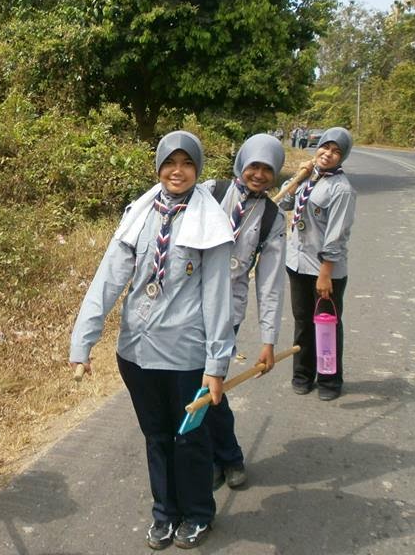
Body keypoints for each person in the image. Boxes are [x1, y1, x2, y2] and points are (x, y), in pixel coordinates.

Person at [69, 131, 235, 551]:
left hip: (185, 356)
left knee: (189, 439)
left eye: (186, 164)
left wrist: (217, 365)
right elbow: (107, 280)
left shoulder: (210, 222)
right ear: (158, 166)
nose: (176, 172)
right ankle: (165, 513)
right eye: (169, 163)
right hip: (136, 354)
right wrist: (83, 341)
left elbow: (217, 298)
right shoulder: (139, 215)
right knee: (156, 436)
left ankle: (197, 514)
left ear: (197, 169)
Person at [202, 133, 286, 490]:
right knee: (196, 386)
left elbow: (269, 283)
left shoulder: (272, 218)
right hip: (186, 306)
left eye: (268, 169)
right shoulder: (211, 192)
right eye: (254, 165)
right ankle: (218, 458)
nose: (260, 174)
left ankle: (228, 458)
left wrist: (268, 340)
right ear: (242, 163)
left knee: (210, 383)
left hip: (227, 314)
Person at [277, 127, 355, 401]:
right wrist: (298, 179)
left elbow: (337, 237)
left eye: (336, 151)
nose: (329, 154)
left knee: (327, 325)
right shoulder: (311, 177)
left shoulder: (341, 190)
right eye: (326, 147)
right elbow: (285, 204)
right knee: (302, 323)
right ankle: (302, 375)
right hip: (298, 264)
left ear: (342, 157)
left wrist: (326, 275)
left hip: (325, 271)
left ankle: (330, 381)